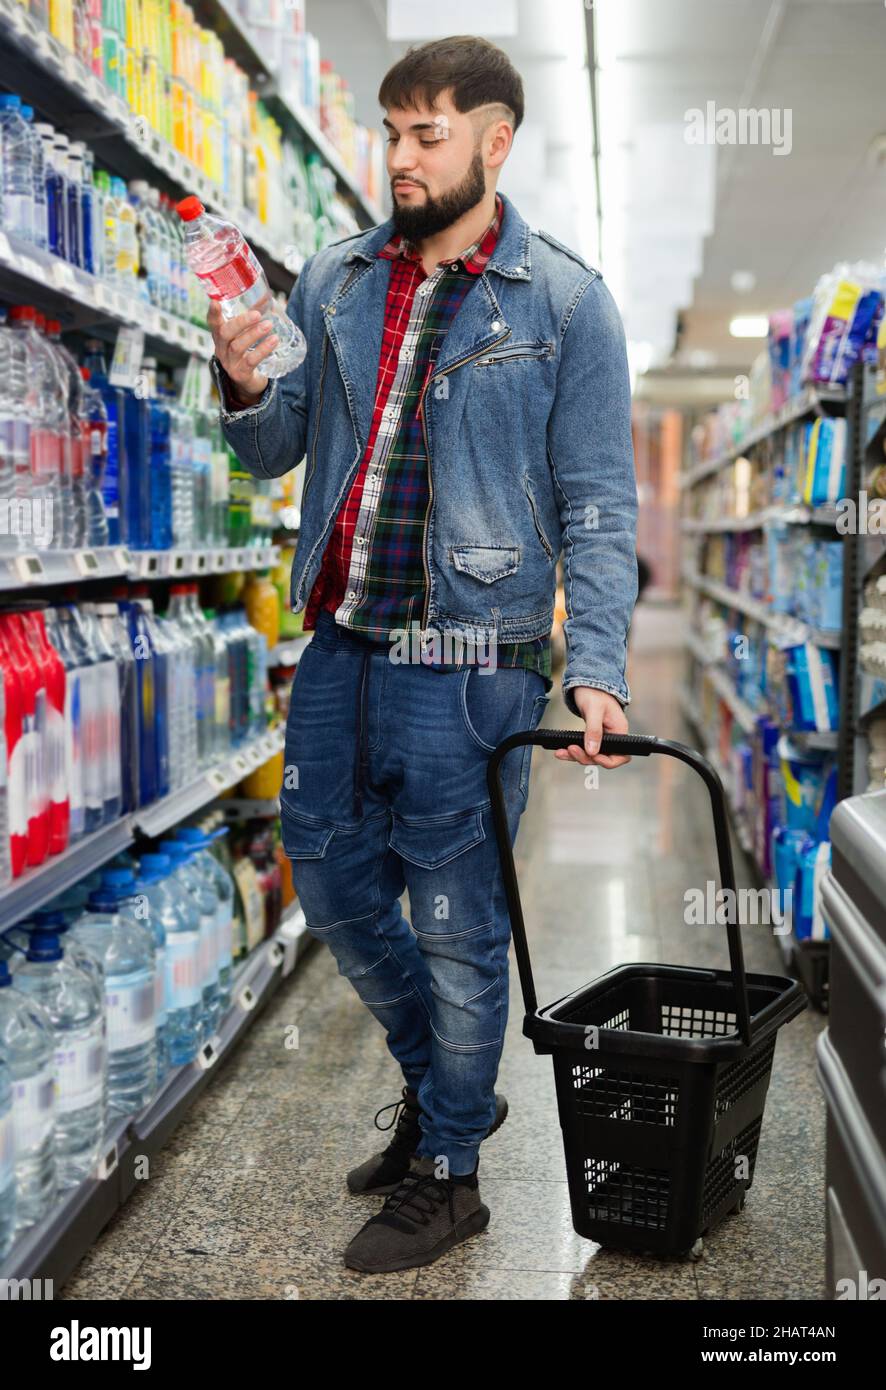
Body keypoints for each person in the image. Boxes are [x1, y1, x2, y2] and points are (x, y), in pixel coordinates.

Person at [208, 35, 638, 1274]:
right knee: (328, 877)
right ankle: (447, 1090)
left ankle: (451, 1171)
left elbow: (600, 501)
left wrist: (593, 666)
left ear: (495, 142)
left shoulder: (564, 302)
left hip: (474, 658)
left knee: (453, 920)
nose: (398, 157)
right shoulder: (335, 279)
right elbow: (275, 446)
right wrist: (242, 386)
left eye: (427, 134)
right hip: (343, 638)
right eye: (391, 132)